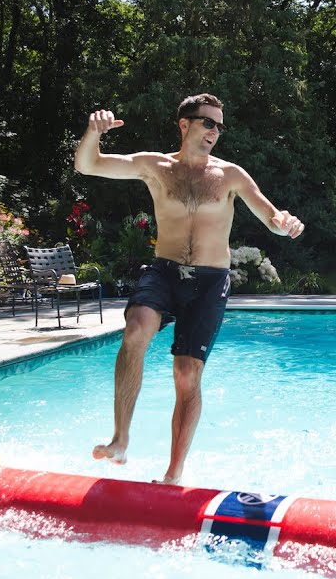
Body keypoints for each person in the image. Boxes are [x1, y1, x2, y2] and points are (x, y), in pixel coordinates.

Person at [74, 93, 305, 484]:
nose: (215, 131)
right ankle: (120, 440)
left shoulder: (230, 175)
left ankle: (173, 473)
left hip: (210, 281)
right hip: (164, 272)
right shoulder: (155, 166)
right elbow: (89, 164)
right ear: (185, 125)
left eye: (219, 125)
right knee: (135, 331)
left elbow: (269, 215)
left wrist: (284, 222)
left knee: (186, 375)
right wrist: (93, 133)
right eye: (208, 122)